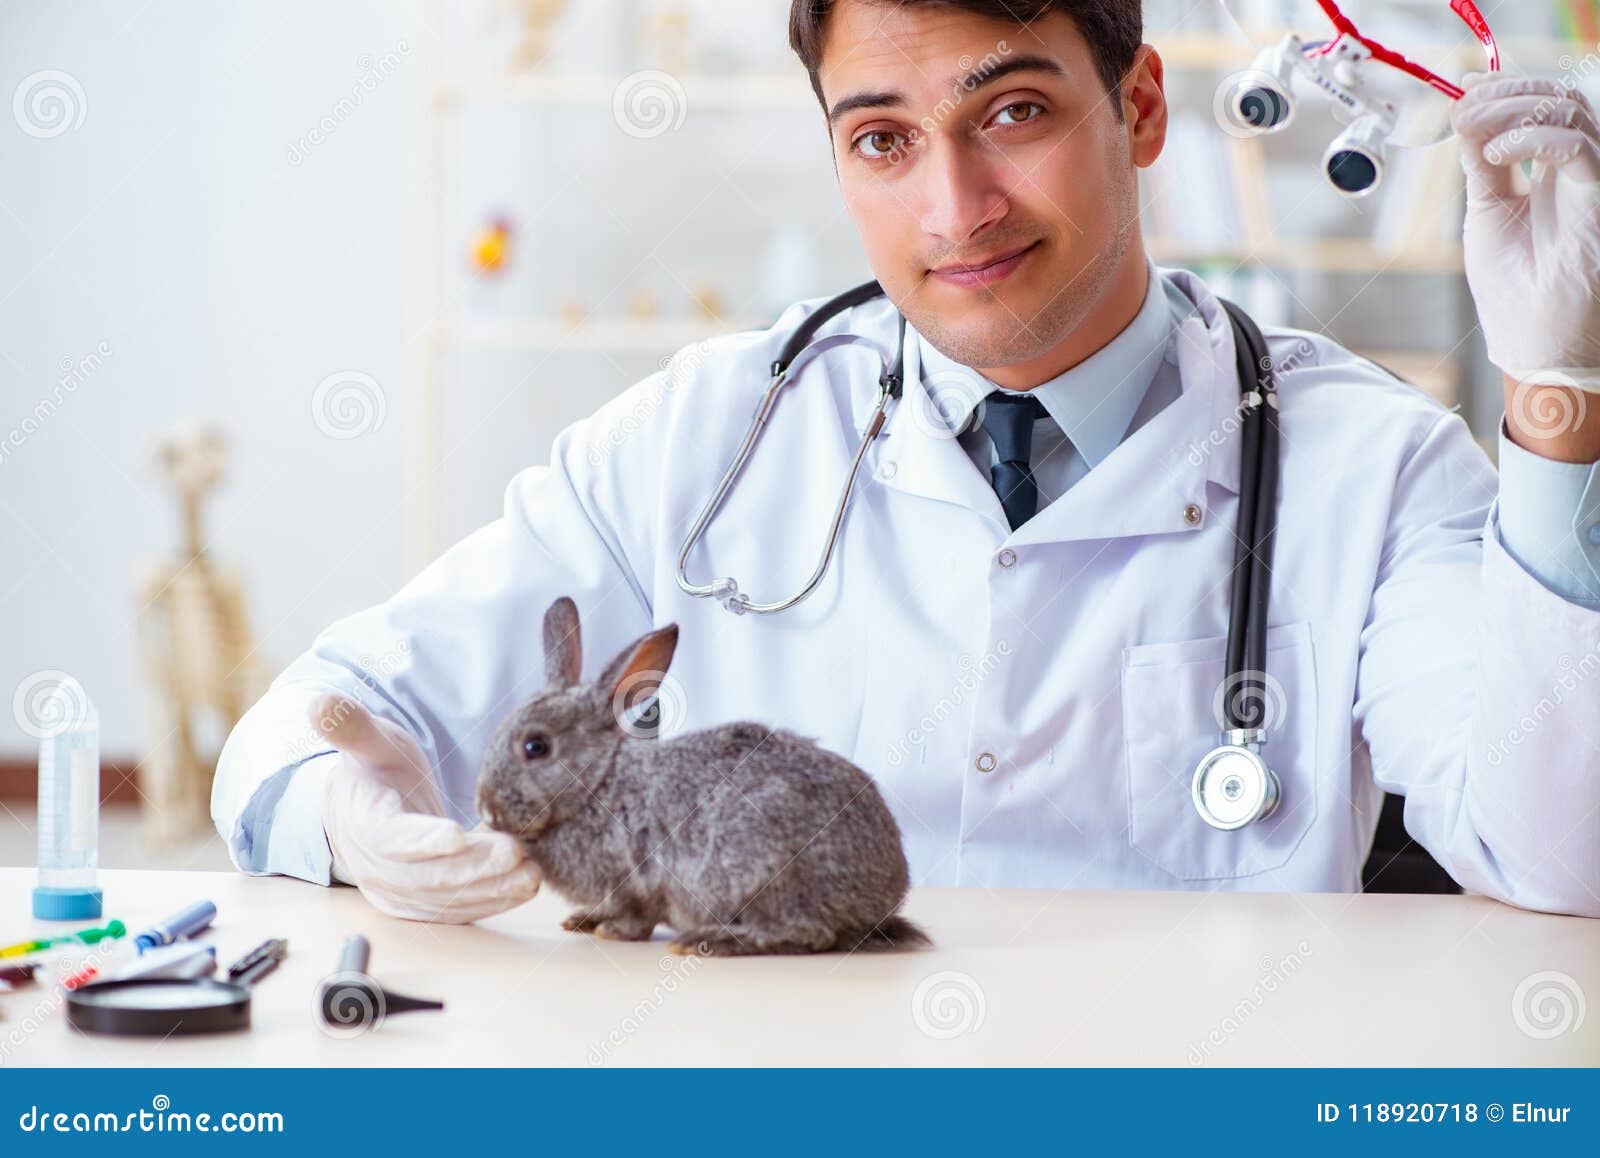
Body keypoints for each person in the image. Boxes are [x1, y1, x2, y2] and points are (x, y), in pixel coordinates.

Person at [214, 0, 1600, 923]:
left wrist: (1560, 393)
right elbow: (307, 725)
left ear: (1141, 109)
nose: (954, 207)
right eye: (883, 139)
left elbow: (1559, 855)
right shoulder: (704, 433)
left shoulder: (1373, 463)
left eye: (1012, 114)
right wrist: (347, 814)